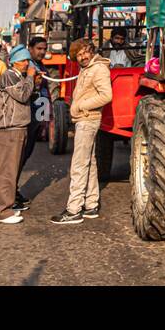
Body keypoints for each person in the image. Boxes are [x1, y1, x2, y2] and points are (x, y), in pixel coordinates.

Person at [51, 39, 112, 225]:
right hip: (86, 119)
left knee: (79, 165)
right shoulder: (88, 68)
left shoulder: (98, 69)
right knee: (89, 163)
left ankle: (73, 210)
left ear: (92, 51)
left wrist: (81, 107)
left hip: (88, 119)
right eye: (79, 54)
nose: (83, 56)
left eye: (86, 52)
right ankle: (91, 205)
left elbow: (106, 95)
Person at [0, 45, 37, 225]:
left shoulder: (18, 76)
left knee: (12, 170)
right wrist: (31, 77)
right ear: (15, 61)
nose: (27, 64)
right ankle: (1, 211)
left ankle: (8, 206)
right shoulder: (9, 75)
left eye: (27, 60)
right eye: (24, 60)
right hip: (10, 129)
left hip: (18, 127)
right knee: (7, 172)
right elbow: (23, 95)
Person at [15, 36, 48, 209]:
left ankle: (13, 190)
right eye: (39, 48)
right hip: (24, 120)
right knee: (16, 158)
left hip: (36, 118)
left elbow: (46, 94)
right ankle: (10, 194)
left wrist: (44, 119)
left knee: (25, 156)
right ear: (30, 48)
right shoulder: (25, 67)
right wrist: (33, 83)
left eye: (44, 49)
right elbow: (22, 93)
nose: (42, 52)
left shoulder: (41, 67)